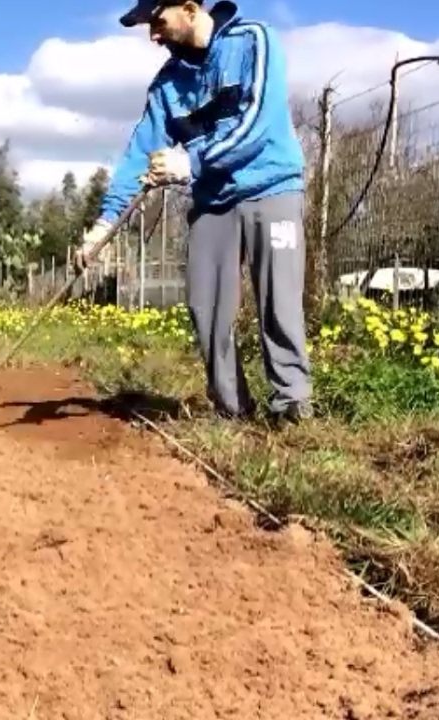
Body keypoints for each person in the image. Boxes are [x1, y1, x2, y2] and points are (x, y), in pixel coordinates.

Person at [76, 0, 313, 424]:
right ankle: (232, 411)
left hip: (271, 187)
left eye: (157, 21)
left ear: (188, 8)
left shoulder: (254, 41)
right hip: (213, 201)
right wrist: (103, 224)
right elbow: (138, 156)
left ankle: (291, 406)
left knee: (279, 301)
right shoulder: (167, 85)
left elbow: (258, 121)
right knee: (205, 304)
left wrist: (192, 162)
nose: (153, 35)